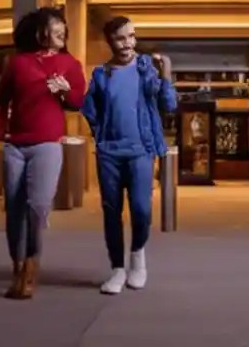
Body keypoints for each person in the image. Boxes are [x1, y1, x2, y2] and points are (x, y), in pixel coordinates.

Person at [0, 7, 86, 300]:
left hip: (48, 144)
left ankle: (32, 267)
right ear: (39, 31)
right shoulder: (16, 63)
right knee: (14, 209)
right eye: (55, 27)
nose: (62, 32)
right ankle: (17, 269)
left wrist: (65, 92)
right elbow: (0, 100)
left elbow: (79, 102)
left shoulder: (70, 64)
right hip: (15, 144)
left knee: (38, 206)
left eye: (63, 28)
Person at [81, 16, 176, 295]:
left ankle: (138, 258)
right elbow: (89, 110)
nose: (128, 44)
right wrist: (102, 134)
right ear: (110, 41)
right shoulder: (101, 74)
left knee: (141, 209)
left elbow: (168, 105)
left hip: (141, 151)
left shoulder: (146, 69)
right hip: (109, 153)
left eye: (132, 37)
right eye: (121, 38)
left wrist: (166, 72)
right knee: (111, 212)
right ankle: (117, 269)